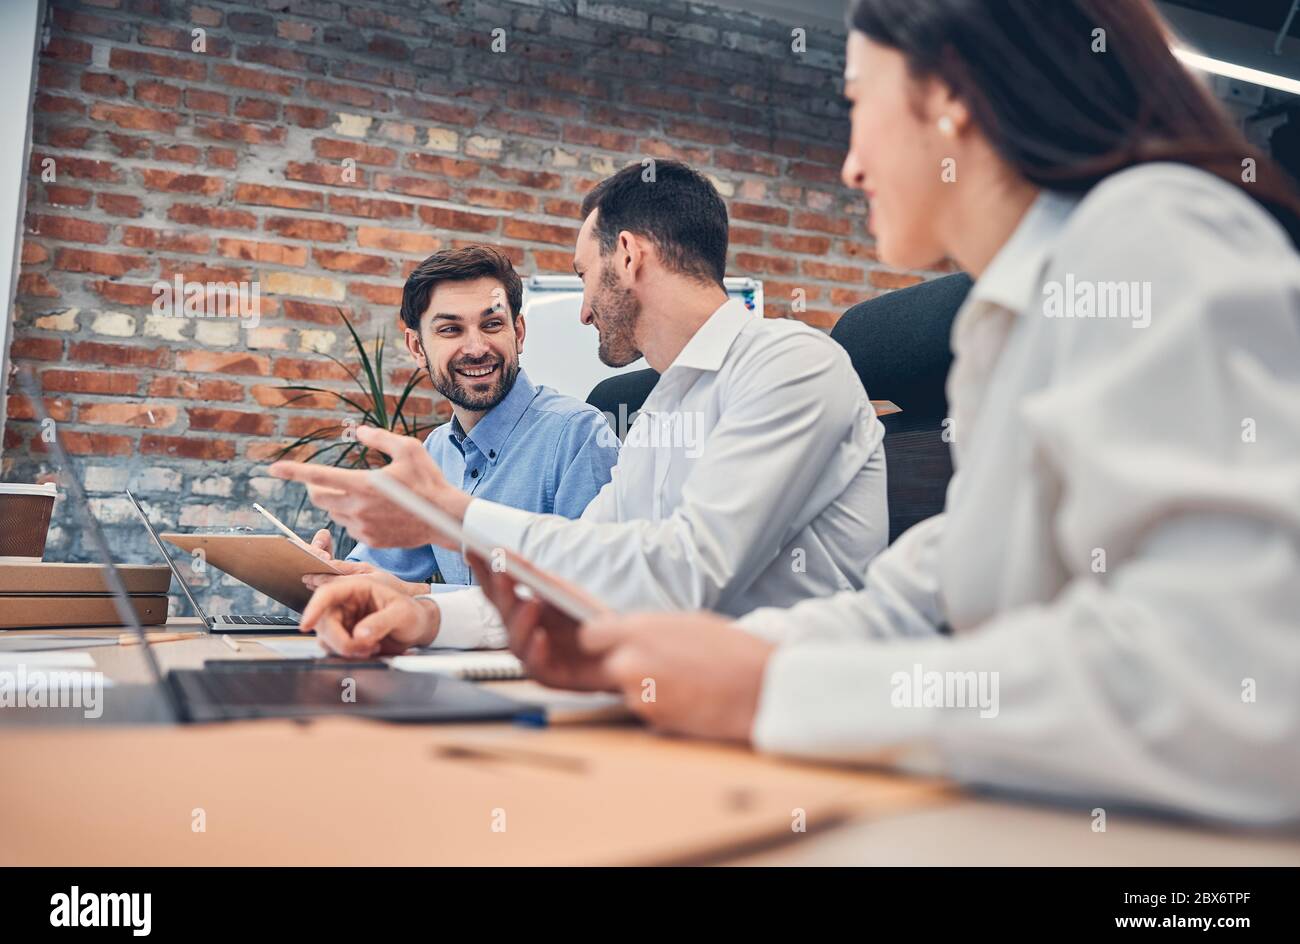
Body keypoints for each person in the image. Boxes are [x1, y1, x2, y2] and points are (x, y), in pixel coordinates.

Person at [467, 0, 1300, 824]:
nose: (851, 167)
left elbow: (1226, 688)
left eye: (858, 104)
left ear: (950, 96)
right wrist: (665, 661)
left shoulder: (1150, 239)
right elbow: (906, 605)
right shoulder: (1008, 325)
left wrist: (770, 688)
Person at [273, 160, 890, 652]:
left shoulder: (791, 364)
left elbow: (685, 574)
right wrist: (426, 616)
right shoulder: (661, 412)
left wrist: (451, 516)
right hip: (678, 706)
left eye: (584, 274)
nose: (583, 308)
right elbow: (572, 582)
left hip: (792, 723)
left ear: (627, 256)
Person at [300, 244, 619, 596]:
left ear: (519, 333)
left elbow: (587, 596)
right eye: (451, 330)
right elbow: (377, 573)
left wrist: (421, 598)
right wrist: (328, 575)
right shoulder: (436, 450)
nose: (477, 347)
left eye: (493, 324)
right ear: (418, 348)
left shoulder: (577, 435)